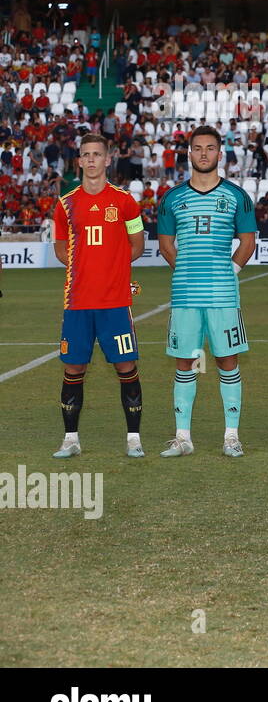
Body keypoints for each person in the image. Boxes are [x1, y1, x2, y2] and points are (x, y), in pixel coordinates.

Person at [157, 126, 257, 457]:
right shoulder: (172, 198)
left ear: (219, 153)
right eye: (197, 148)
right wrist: (186, 271)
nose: (203, 153)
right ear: (189, 154)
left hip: (223, 295)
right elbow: (166, 244)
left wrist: (229, 272)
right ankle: (183, 437)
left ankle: (232, 436)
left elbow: (247, 242)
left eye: (210, 148)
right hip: (185, 295)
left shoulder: (237, 196)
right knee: (186, 363)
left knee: (227, 361)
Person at [50, 134, 147, 459]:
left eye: (97, 154)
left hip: (114, 302)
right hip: (77, 302)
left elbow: (138, 244)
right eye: (86, 155)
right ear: (79, 161)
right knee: (73, 368)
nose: (91, 160)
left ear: (108, 159)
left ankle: (134, 439)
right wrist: (86, 267)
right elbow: (62, 248)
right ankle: (70, 439)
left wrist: (113, 268)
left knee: (126, 366)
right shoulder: (65, 204)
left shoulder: (125, 201)